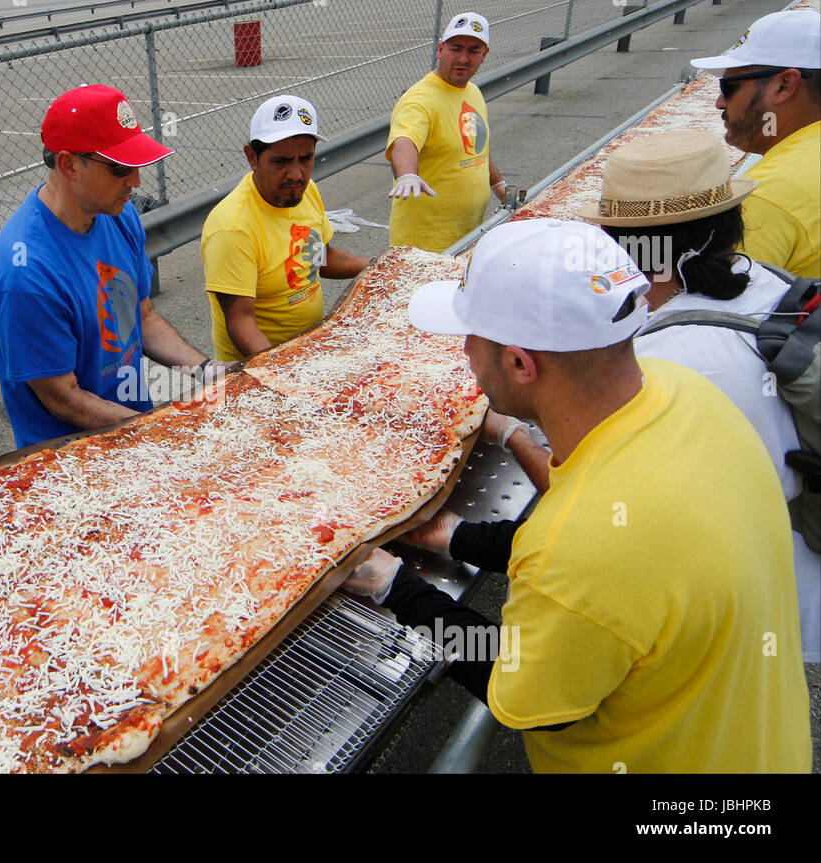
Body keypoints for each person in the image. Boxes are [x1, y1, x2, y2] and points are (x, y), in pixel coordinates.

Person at [347, 218, 811, 772]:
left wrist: (394, 587)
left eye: (470, 337)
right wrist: (455, 536)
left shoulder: (580, 550)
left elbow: (522, 691)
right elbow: (630, 552)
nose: (464, 352)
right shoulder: (684, 392)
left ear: (521, 363)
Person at [573, 128, 820, 664]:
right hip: (800, 567)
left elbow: (608, 510)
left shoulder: (663, 366)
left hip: (747, 615)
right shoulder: (768, 283)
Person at [0, 84, 224, 448]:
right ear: (69, 164)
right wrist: (160, 429)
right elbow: (63, 398)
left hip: (135, 426)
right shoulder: (24, 274)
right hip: (68, 459)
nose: (135, 182)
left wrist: (208, 372)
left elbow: (142, 317)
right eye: (119, 168)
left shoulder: (118, 214)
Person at [200, 95, 372, 362]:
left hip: (308, 351)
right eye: (281, 162)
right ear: (252, 157)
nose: (296, 174)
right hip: (254, 369)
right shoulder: (232, 228)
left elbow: (319, 258)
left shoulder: (306, 191)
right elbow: (241, 321)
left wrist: (380, 266)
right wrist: (282, 372)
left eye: (306, 159)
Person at [691, 8, 820, 277]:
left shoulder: (767, 196)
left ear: (784, 85)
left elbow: (720, 312)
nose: (720, 103)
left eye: (728, 87)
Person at [385, 11, 506, 252]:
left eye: (473, 50)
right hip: (426, 244)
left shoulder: (473, 93)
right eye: (456, 48)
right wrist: (407, 174)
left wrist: (500, 186)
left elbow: (477, 147)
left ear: (485, 55)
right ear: (440, 50)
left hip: (470, 233)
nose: (463, 58)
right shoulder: (420, 99)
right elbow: (404, 141)